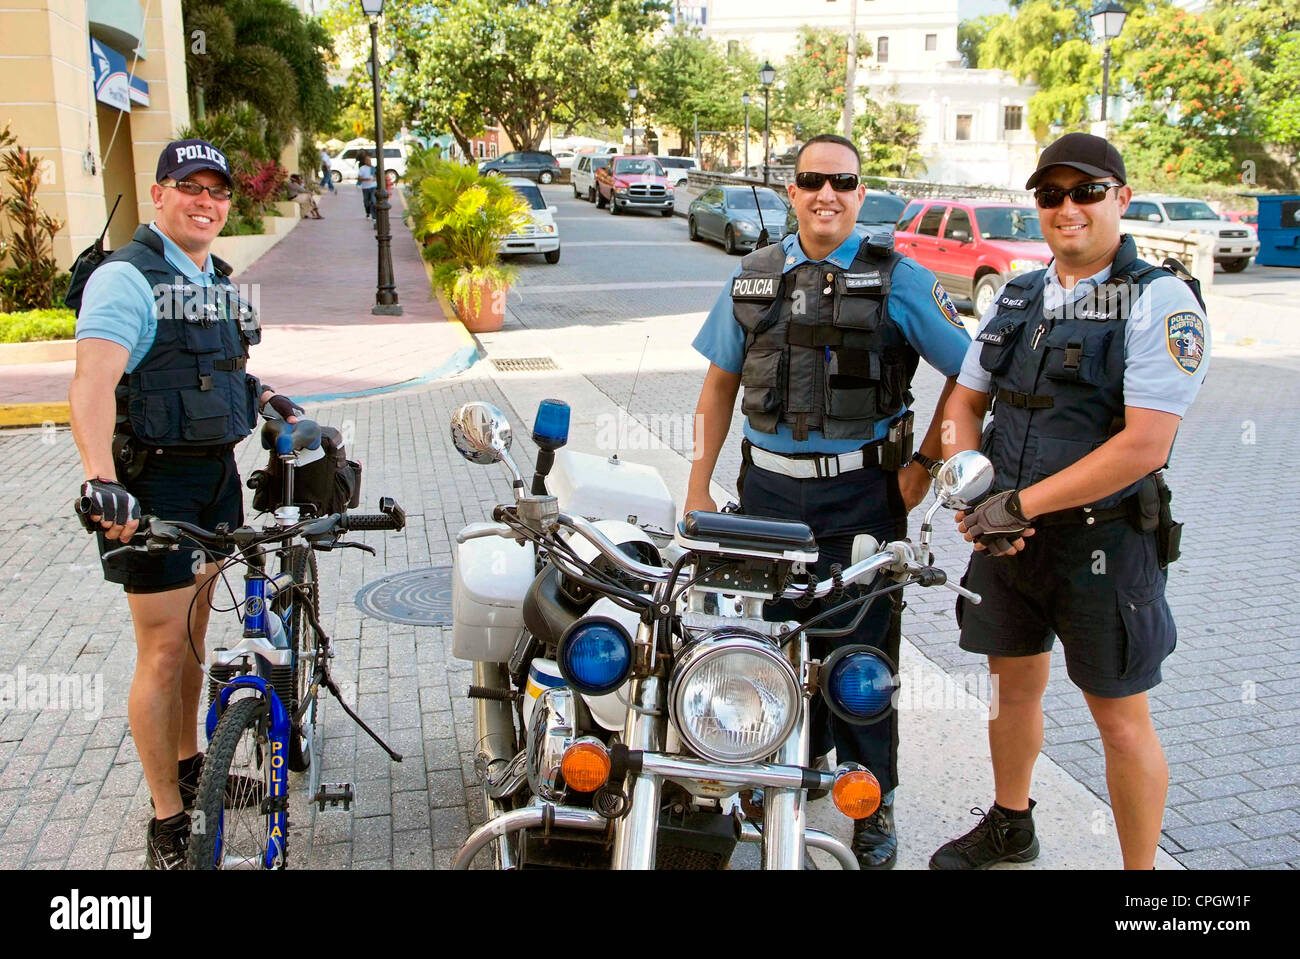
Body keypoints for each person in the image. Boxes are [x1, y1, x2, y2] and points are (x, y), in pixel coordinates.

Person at [685, 133, 972, 869]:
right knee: (766, 642)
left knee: (861, 660)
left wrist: (923, 466)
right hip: (766, 498)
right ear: (793, 190)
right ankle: (778, 772)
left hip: (862, 500)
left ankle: (872, 805)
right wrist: (696, 482)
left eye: (842, 181)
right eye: (813, 180)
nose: (827, 194)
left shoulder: (899, 280)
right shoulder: (754, 278)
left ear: (859, 191)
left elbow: (974, 375)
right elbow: (718, 386)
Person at [929, 133, 1209, 870]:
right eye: (1050, 195)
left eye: (1086, 191)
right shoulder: (1019, 292)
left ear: (1120, 197)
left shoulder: (1159, 300)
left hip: (1104, 544)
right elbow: (963, 401)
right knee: (1011, 686)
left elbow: (1144, 445)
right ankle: (1010, 823)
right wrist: (973, 480)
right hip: (1009, 542)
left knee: (1120, 721)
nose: (1067, 208)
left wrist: (1020, 506)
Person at [68, 138, 305, 870]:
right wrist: (99, 477)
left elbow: (218, 364)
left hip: (214, 479)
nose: (206, 201)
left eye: (218, 191)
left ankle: (192, 763)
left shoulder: (210, 275)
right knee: (164, 649)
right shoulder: (126, 280)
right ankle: (167, 820)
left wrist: (264, 398)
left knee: (198, 639)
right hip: (151, 488)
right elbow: (91, 384)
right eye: (189, 186)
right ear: (159, 192)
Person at [357, 153, 377, 220]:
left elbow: (377, 177)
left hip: (373, 187)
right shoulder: (362, 168)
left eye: (370, 160)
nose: (369, 161)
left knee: (373, 200)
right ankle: (368, 213)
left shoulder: (373, 168)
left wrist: (375, 179)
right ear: (365, 161)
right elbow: (359, 178)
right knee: (366, 202)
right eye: (368, 160)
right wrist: (366, 179)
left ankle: (374, 216)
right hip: (365, 187)